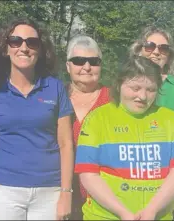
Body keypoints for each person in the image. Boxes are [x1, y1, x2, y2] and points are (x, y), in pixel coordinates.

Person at [74, 56, 174, 220]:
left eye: (150, 90)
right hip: (105, 217)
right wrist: (123, 213)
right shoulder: (96, 118)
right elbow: (87, 173)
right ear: (119, 85)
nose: (142, 96)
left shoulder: (171, 120)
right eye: (135, 88)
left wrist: (152, 210)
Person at [0, 19, 74, 220]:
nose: (24, 47)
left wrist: (66, 193)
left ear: (40, 50)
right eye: (15, 41)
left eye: (32, 42)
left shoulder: (55, 88)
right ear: (6, 49)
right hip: (3, 189)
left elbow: (66, 144)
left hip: (49, 190)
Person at [65, 35, 111, 220]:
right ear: (68, 66)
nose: (86, 67)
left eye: (94, 61)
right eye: (78, 61)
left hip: (104, 196)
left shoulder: (114, 99)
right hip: (61, 194)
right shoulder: (56, 96)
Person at [130, 25, 174, 121]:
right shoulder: (124, 83)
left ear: (169, 56)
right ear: (139, 50)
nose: (156, 52)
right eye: (150, 46)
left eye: (163, 48)